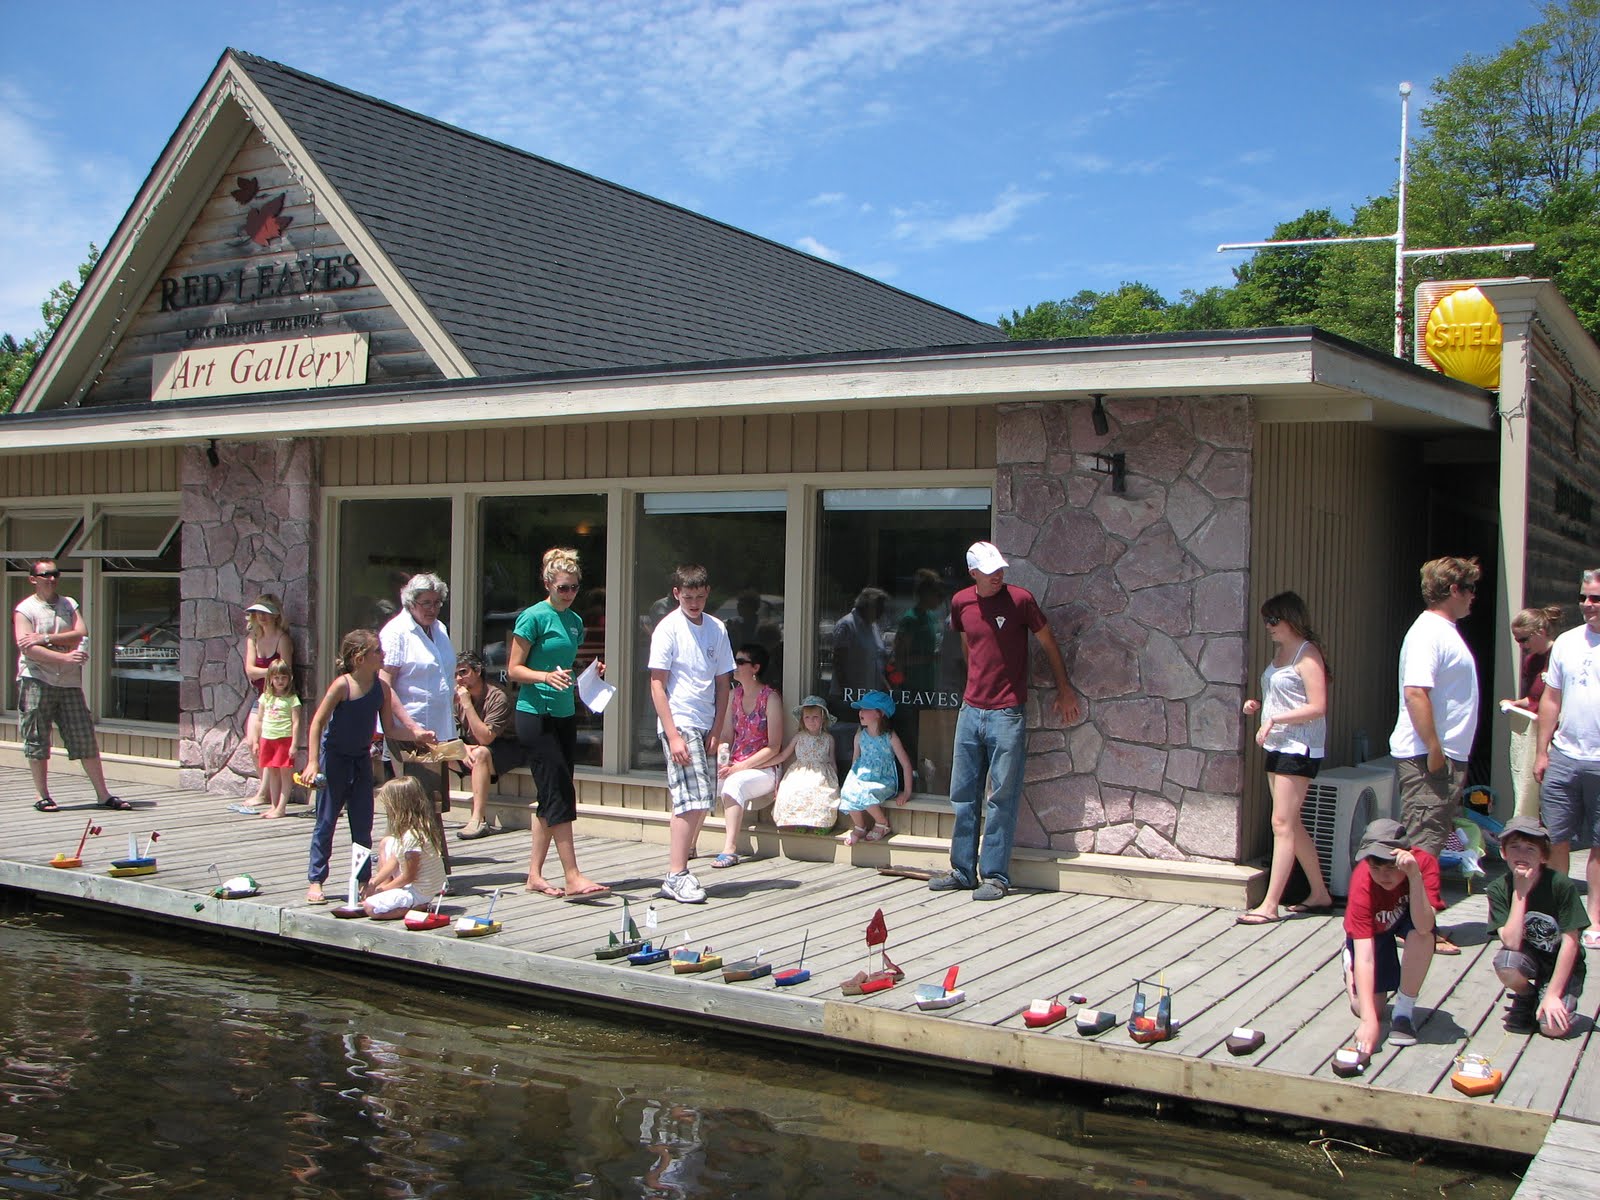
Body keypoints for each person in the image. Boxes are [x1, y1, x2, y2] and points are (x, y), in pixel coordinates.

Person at [930, 541, 1079, 901]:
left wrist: (1064, 689)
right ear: (973, 573)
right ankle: (961, 871)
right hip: (970, 711)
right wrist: (973, 687)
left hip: (1007, 713)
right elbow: (968, 645)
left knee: (1001, 796)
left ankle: (995, 876)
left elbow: (1048, 642)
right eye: (990, 569)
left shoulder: (1021, 600)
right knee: (963, 794)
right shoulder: (961, 602)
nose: (998, 575)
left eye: (1000, 568)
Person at [1387, 555, 1480, 955]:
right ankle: (1417, 928)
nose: (1475, 597)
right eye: (1471, 589)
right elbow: (1415, 692)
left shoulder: (1444, 630)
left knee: (1432, 838)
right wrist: (1435, 748)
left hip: (1442, 756)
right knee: (1424, 843)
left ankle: (1421, 921)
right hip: (1428, 758)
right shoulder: (1429, 632)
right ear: (1453, 590)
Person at [302, 629, 434, 906]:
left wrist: (417, 734)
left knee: (362, 824)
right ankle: (316, 880)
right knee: (326, 821)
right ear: (360, 658)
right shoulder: (342, 685)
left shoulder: (381, 688)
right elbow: (317, 723)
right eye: (378, 651)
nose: (383, 655)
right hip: (335, 759)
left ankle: (364, 880)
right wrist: (313, 762)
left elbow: (390, 729)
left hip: (361, 760)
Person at [508, 547, 609, 900]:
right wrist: (543, 677)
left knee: (549, 794)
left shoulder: (575, 621)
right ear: (548, 583)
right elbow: (514, 669)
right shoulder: (533, 617)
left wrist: (590, 675)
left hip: (565, 714)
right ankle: (572, 875)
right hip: (535, 714)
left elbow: (565, 666)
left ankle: (535, 874)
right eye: (563, 587)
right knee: (560, 793)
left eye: (575, 588)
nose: (569, 594)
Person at [1237, 591, 1333, 924]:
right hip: (1278, 745)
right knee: (1291, 823)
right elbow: (1282, 698)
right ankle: (1319, 893)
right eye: (1266, 621)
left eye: (1273, 620)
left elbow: (1317, 707)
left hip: (1299, 748)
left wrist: (1276, 720)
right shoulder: (1280, 653)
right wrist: (1259, 708)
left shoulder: (1308, 655)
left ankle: (1270, 904)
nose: (1269, 627)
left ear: (1290, 618)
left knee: (1281, 824)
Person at [648, 563, 735, 904]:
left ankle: (681, 866)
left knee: (702, 797)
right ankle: (676, 873)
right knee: (690, 797)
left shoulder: (717, 628)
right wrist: (672, 735)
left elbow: (724, 683)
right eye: (688, 597)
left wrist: (716, 729)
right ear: (676, 594)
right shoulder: (667, 629)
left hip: (705, 721)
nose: (694, 602)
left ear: (708, 593)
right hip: (680, 720)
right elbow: (657, 683)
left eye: (700, 596)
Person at [13, 559, 126, 811]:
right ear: (33, 579)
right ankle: (43, 796)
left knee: (83, 736)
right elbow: (28, 649)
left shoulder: (69, 604)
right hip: (36, 679)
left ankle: (103, 795)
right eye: (45, 575)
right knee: (37, 738)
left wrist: (45, 638)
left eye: (55, 574)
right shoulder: (25, 609)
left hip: (69, 682)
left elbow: (81, 632)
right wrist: (64, 656)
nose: (51, 579)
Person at [1534, 571, 1600, 950]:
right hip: (1565, 754)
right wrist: (1542, 751)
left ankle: (1594, 916)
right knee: (1556, 838)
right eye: (1584, 597)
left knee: (1598, 845)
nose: (1589, 605)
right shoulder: (1568, 644)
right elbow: (1551, 699)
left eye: (1596, 598)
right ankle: (1563, 913)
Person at [379, 572, 456, 882]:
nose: (433, 608)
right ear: (410, 603)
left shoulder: (439, 629)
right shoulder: (396, 631)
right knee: (412, 805)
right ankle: (413, 873)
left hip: (437, 731)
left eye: (438, 603)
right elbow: (385, 684)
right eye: (426, 603)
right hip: (408, 732)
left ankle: (436, 873)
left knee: (432, 803)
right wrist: (410, 727)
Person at [1342, 818, 1442, 1057]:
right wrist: (1368, 1021)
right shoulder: (1362, 880)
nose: (1383, 875)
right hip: (1374, 932)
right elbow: (1366, 958)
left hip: (1410, 918)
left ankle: (1404, 1013)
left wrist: (1414, 877)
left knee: (1423, 935)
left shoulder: (1424, 864)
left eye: (1390, 867)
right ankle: (1348, 963)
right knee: (1367, 1009)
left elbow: (1425, 925)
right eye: (1375, 867)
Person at [1487, 817, 1586, 1036]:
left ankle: (1549, 996)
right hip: (1528, 957)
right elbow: (1511, 942)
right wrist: (1519, 893)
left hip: (1562, 963)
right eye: (1514, 847)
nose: (1521, 855)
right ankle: (1527, 996)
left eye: (1530, 849)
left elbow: (1571, 943)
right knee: (1505, 963)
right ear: (1503, 852)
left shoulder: (1560, 885)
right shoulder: (1498, 888)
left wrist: (1552, 994)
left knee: (1553, 1029)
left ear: (1543, 856)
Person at [712, 642, 783, 868]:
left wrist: (740, 768)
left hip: (764, 768)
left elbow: (774, 746)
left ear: (755, 668)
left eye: (741, 662)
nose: (735, 665)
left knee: (733, 784)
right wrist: (723, 757)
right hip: (736, 764)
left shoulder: (770, 698)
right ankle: (690, 846)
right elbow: (726, 735)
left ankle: (730, 849)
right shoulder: (734, 695)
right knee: (704, 784)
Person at [451, 650, 523, 840]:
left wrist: (467, 705)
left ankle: (478, 819)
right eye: (455, 674)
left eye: (463, 672)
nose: (459, 679)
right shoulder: (456, 696)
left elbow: (486, 738)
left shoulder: (498, 696)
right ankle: (430, 813)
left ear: (478, 671)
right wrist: (462, 748)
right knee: (438, 751)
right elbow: (447, 732)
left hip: (506, 746)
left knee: (481, 753)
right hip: (471, 746)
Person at [361, 777, 448, 919]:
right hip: (411, 884)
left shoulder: (412, 836)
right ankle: (393, 897)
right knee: (387, 842)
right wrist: (374, 883)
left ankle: (419, 907)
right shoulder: (406, 831)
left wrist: (381, 891)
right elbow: (394, 860)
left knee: (371, 908)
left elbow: (409, 876)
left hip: (420, 890)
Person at [1505, 605, 1561, 818]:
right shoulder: (1532, 661)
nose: (1521, 646)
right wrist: (1517, 703)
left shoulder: (1560, 655)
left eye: (1524, 640)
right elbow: (1534, 698)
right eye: (1517, 641)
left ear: (1541, 632)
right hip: (1537, 735)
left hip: (1558, 737)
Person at [240, 595, 294, 810]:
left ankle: (265, 794)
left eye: (265, 612)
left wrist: (271, 675)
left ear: (275, 614)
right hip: (261, 697)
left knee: (268, 744)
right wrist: (272, 671)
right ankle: (265, 791)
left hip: (279, 699)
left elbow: (287, 672)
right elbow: (250, 671)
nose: (261, 616)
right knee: (252, 742)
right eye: (257, 612)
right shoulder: (253, 639)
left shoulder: (283, 639)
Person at [838, 690, 912, 844]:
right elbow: (855, 762)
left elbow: (905, 764)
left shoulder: (890, 736)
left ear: (879, 714)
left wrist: (906, 792)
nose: (861, 712)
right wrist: (851, 781)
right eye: (861, 708)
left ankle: (882, 823)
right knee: (848, 791)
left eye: (866, 709)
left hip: (883, 780)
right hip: (862, 778)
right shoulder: (859, 736)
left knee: (866, 792)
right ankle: (860, 826)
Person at [771, 695, 842, 832]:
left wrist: (836, 779)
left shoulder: (828, 739)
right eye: (807, 718)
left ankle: (823, 823)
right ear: (802, 720)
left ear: (823, 719)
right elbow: (784, 755)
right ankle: (799, 820)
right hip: (799, 772)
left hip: (821, 773)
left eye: (815, 717)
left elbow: (832, 761)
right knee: (794, 790)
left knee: (819, 791)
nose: (811, 721)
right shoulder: (799, 737)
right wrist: (764, 763)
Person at [828, 587, 888, 719]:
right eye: (879, 609)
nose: (881, 614)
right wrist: (848, 695)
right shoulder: (847, 625)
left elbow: (876, 661)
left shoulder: (874, 627)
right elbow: (838, 662)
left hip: (870, 699)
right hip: (849, 700)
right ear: (868, 607)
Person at [253, 660, 302, 819]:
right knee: (272, 772)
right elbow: (259, 720)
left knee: (285, 774)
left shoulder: (292, 699)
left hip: (284, 739)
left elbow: (296, 722)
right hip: (267, 739)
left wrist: (294, 744)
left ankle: (281, 808)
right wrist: (256, 741)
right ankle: (274, 806)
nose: (280, 681)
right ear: (270, 679)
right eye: (276, 678)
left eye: (283, 677)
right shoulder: (265, 698)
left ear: (289, 679)